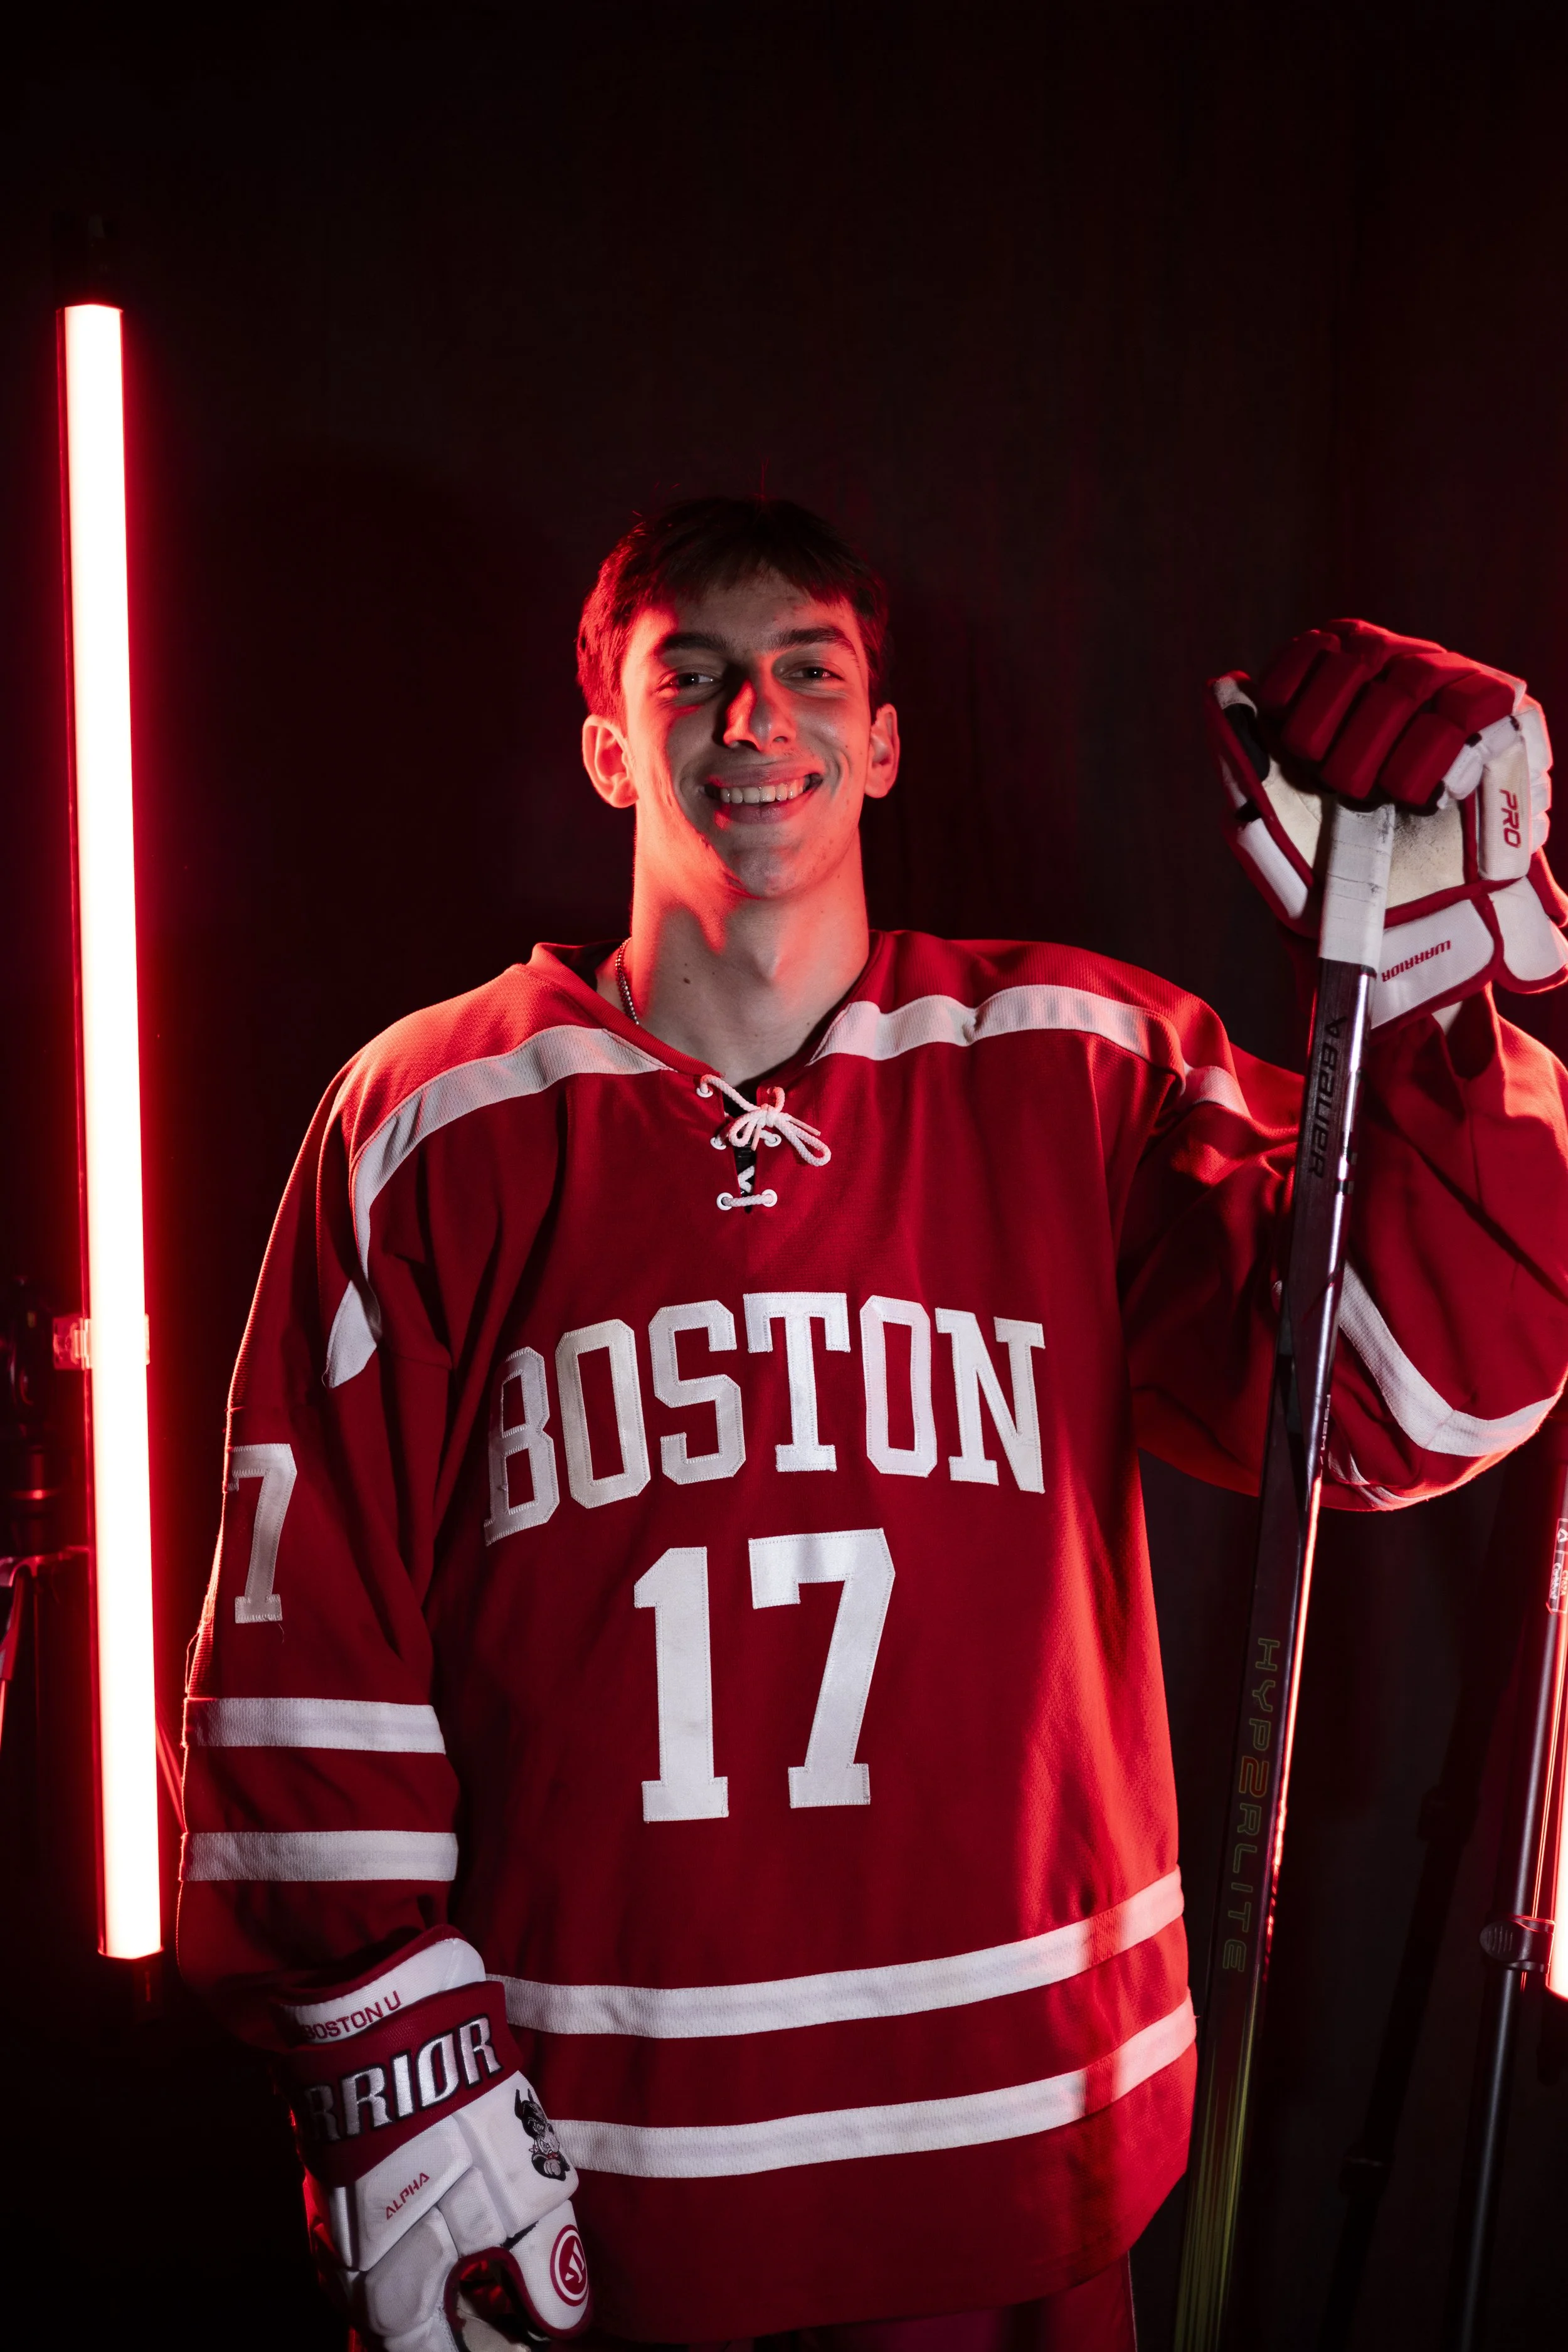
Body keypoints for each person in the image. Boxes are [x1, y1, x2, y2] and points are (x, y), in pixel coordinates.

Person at [179, 497, 1568, 2352]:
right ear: (610, 746)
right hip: (592, 2169)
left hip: (1017, 2155)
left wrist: (1432, 1014)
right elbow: (306, 1627)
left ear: (884, 740)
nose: (752, 721)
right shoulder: (434, 1113)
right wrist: (380, 2035)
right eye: (693, 677)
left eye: (805, 673)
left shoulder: (1078, 1060)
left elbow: (1410, 1393)